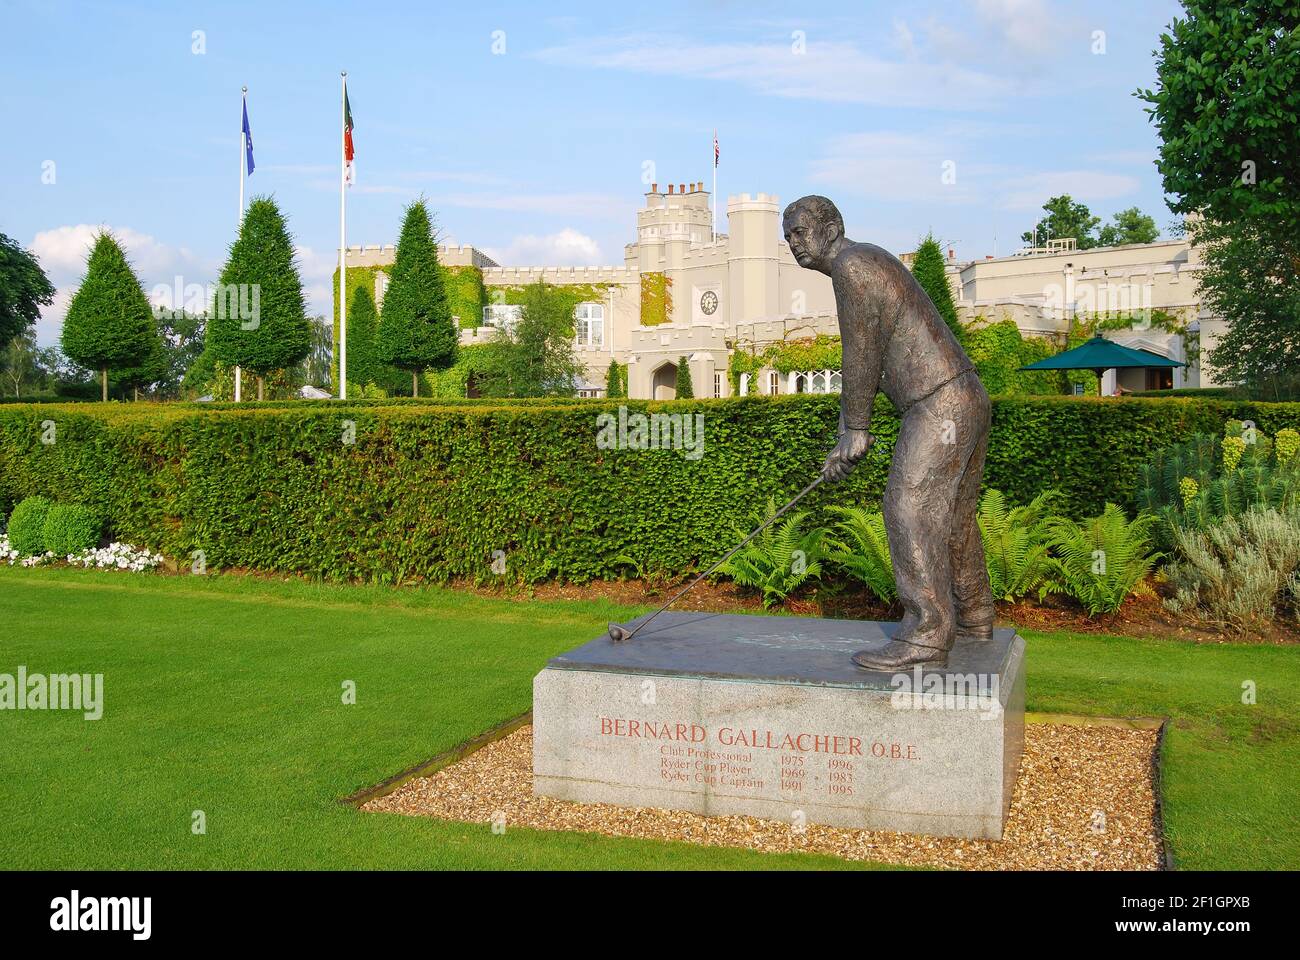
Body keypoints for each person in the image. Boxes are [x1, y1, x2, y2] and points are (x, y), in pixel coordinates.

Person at [783, 195, 994, 669]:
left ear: (831, 227)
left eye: (800, 231)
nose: (794, 243)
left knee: (910, 505)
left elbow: (861, 354)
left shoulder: (852, 267)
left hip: (939, 401)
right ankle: (974, 614)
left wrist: (855, 430)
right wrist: (849, 429)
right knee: (954, 514)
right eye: (788, 236)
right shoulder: (867, 258)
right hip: (965, 396)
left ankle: (927, 631)